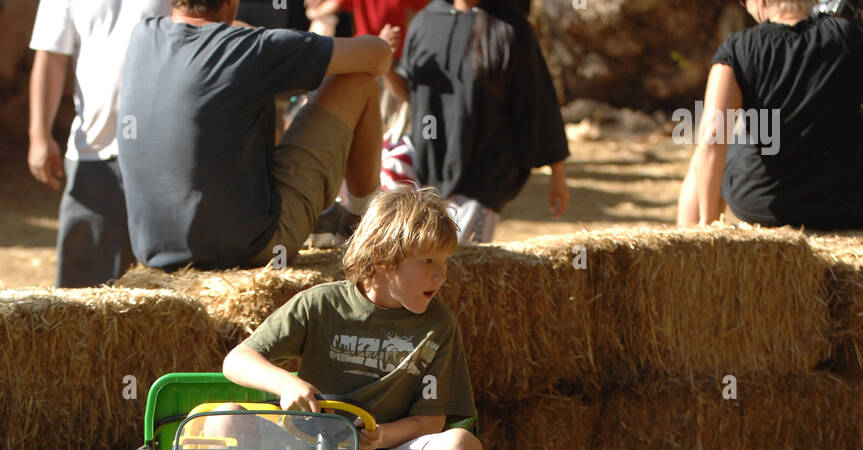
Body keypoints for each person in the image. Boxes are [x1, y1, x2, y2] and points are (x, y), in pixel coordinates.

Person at [222, 185, 481, 450]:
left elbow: (431, 421)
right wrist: (286, 384)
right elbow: (236, 360)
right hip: (303, 448)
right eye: (428, 261)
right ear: (381, 258)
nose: (441, 274)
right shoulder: (320, 304)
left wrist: (382, 436)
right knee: (223, 417)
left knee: (463, 447)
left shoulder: (438, 326)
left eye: (445, 261)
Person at [117, 0, 391, 271]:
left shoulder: (142, 35)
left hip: (154, 250)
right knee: (358, 79)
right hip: (249, 247)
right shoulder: (251, 47)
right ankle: (362, 226)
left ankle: (329, 220)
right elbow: (378, 54)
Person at [388, 0, 569, 244]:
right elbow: (410, 93)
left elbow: (536, 101)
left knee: (463, 267)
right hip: (427, 168)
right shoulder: (426, 21)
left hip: (485, 172)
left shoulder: (510, 28)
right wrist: (385, 66)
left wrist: (557, 173)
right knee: (426, 269)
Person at [677, 0, 863, 229]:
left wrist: (709, 229)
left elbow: (711, 139)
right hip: (845, 204)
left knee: (705, 156)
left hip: (762, 203)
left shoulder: (738, 48)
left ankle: (694, 241)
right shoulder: (850, 36)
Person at [27, 0, 171, 288]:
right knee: (81, 292)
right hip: (92, 150)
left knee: (162, 289)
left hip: (164, 153)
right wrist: (39, 135)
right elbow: (50, 56)